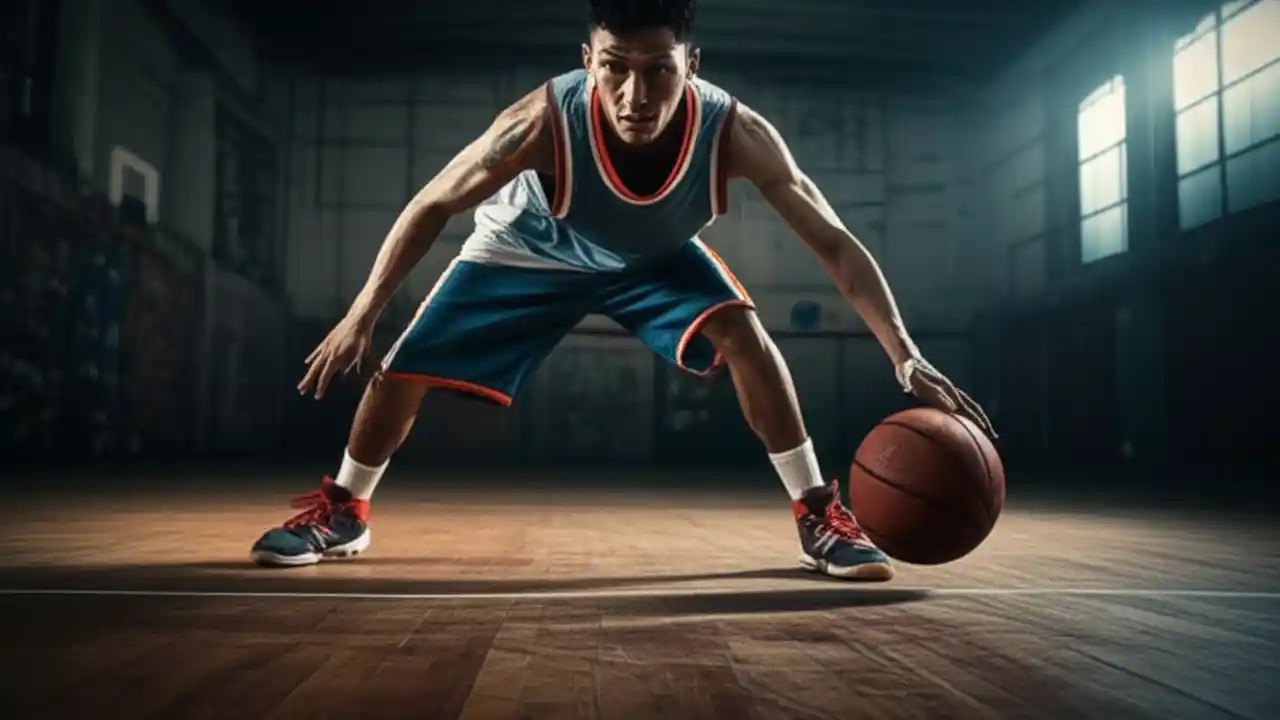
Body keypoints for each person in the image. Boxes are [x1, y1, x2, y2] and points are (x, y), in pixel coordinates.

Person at [252, 0, 996, 580]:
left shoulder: (735, 130)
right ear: (588, 60)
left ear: (691, 64)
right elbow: (431, 204)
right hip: (530, 247)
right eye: (614, 67)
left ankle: (818, 515)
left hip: (653, 255)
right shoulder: (539, 122)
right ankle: (346, 511)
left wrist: (904, 355)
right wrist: (361, 313)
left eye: (660, 71)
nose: (635, 93)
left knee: (744, 333)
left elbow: (833, 240)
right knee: (403, 365)